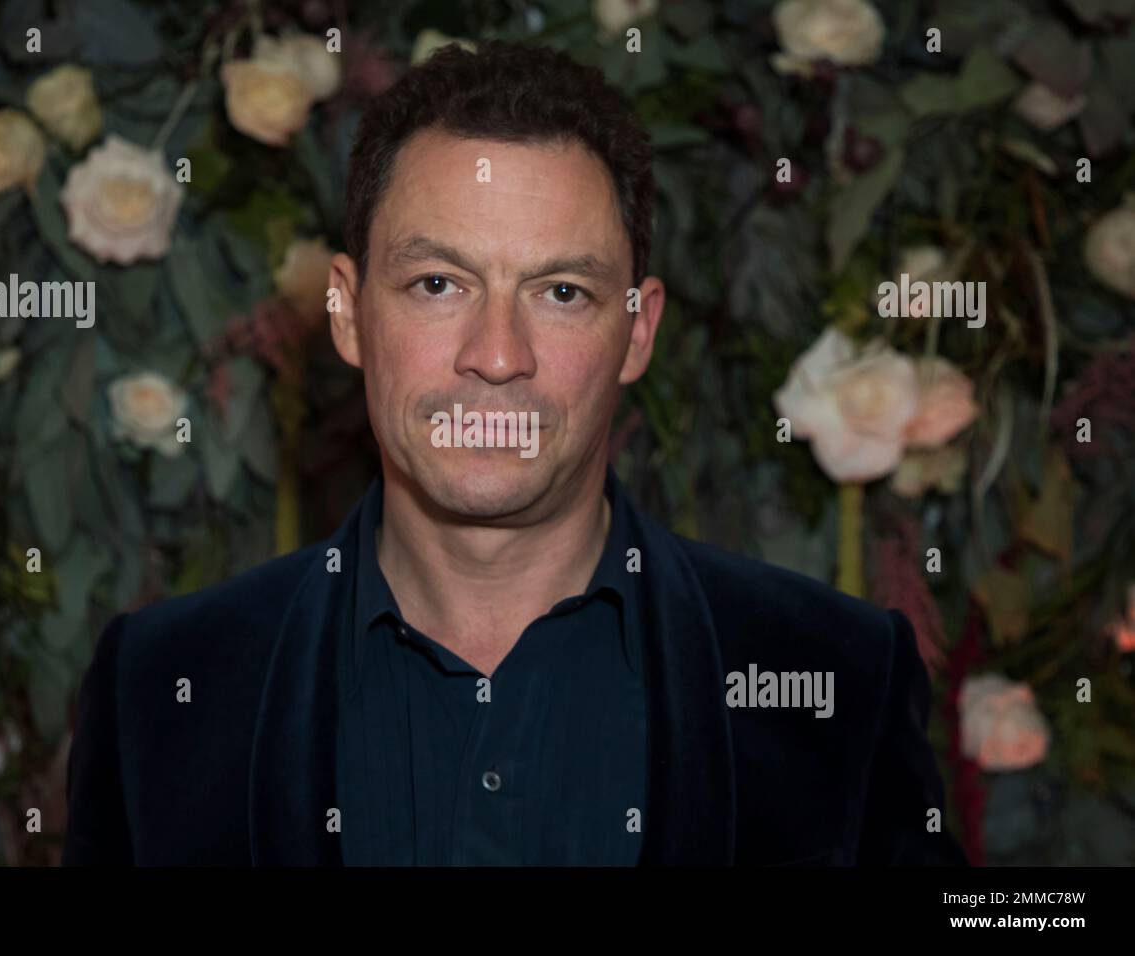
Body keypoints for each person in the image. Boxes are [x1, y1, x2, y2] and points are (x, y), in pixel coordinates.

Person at [62, 39, 967, 867]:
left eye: (563, 291)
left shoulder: (840, 680)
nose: (497, 355)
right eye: (438, 283)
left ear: (639, 330)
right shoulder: (161, 688)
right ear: (346, 311)